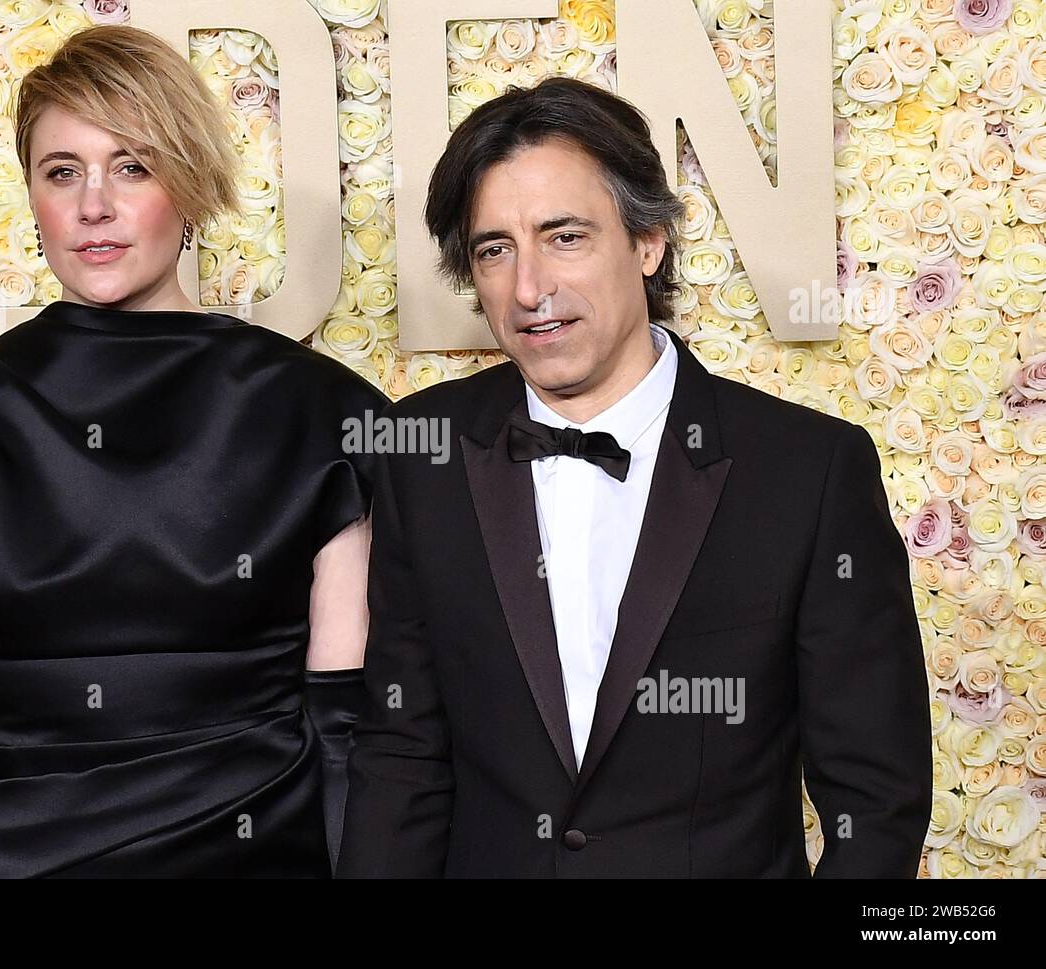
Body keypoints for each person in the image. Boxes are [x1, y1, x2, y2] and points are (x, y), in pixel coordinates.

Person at [336, 76, 932, 878]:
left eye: (566, 236)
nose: (529, 289)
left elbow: (876, 795)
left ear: (647, 241)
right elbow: (402, 754)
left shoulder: (808, 470)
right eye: (494, 250)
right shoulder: (424, 453)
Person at [0, 25, 386, 878]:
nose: (93, 204)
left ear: (190, 183)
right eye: (61, 171)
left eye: (132, 166)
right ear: (31, 195)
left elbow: (346, 740)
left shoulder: (322, 412)